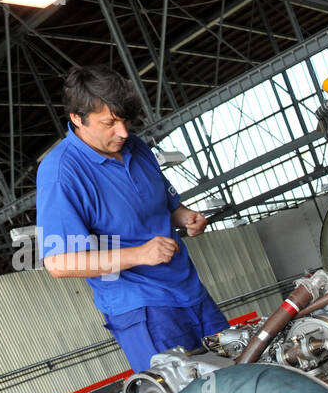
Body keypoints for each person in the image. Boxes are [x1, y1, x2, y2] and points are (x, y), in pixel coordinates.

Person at [36, 65, 229, 372]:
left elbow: (164, 208)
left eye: (125, 121)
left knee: (236, 373)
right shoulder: (62, 172)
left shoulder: (136, 147)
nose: (123, 132)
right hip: (143, 309)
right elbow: (60, 263)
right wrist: (140, 254)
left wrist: (186, 216)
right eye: (109, 123)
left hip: (192, 292)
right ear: (77, 118)